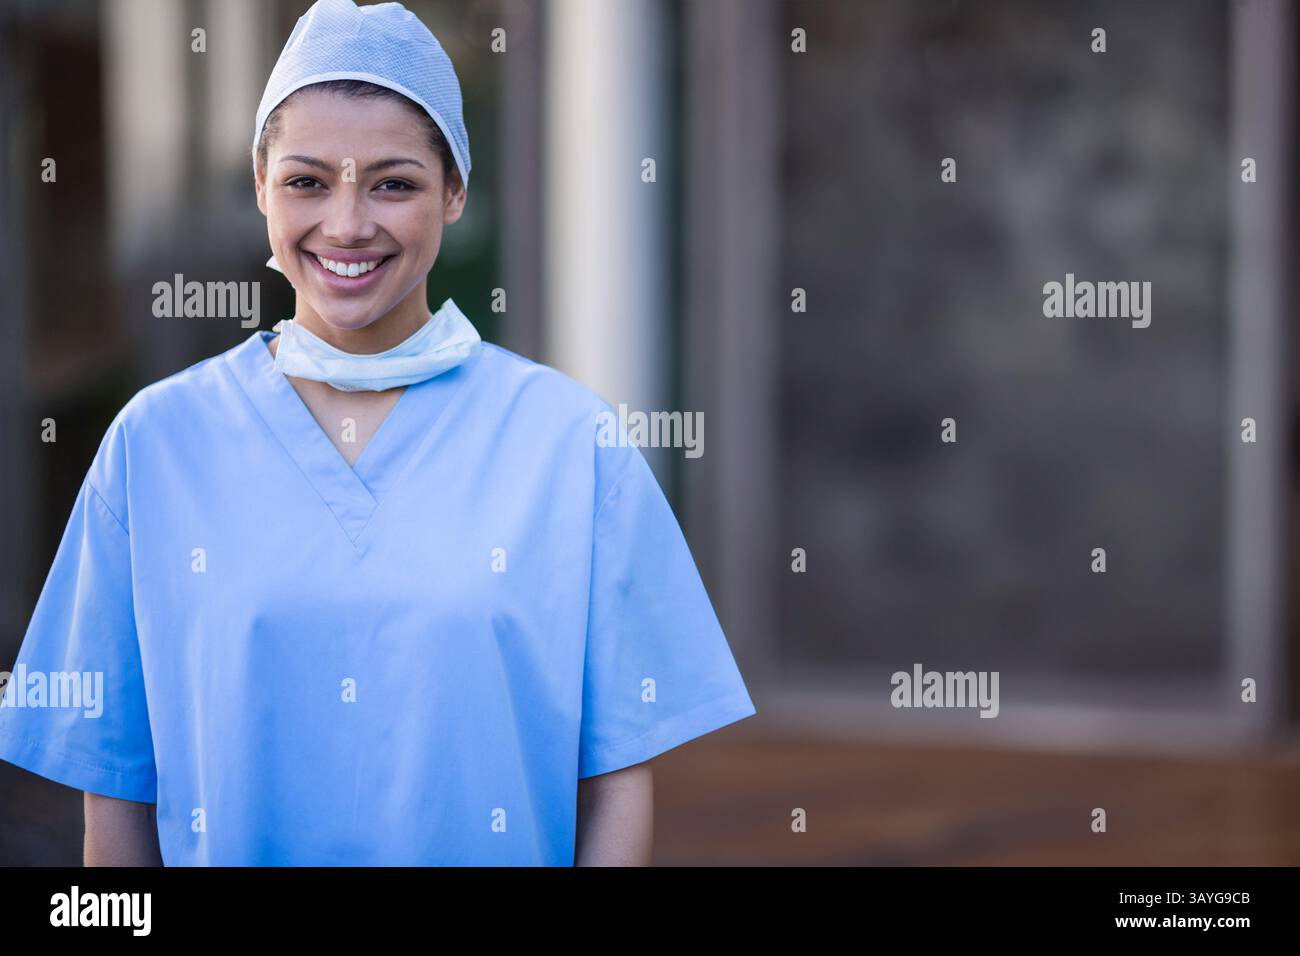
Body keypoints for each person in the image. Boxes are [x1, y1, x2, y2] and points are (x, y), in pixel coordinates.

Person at [0, 0, 755, 866]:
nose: (348, 224)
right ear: (259, 187)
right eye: (307, 180)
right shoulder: (156, 446)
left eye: (394, 182)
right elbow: (117, 793)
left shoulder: (567, 443)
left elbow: (616, 779)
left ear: (457, 191)